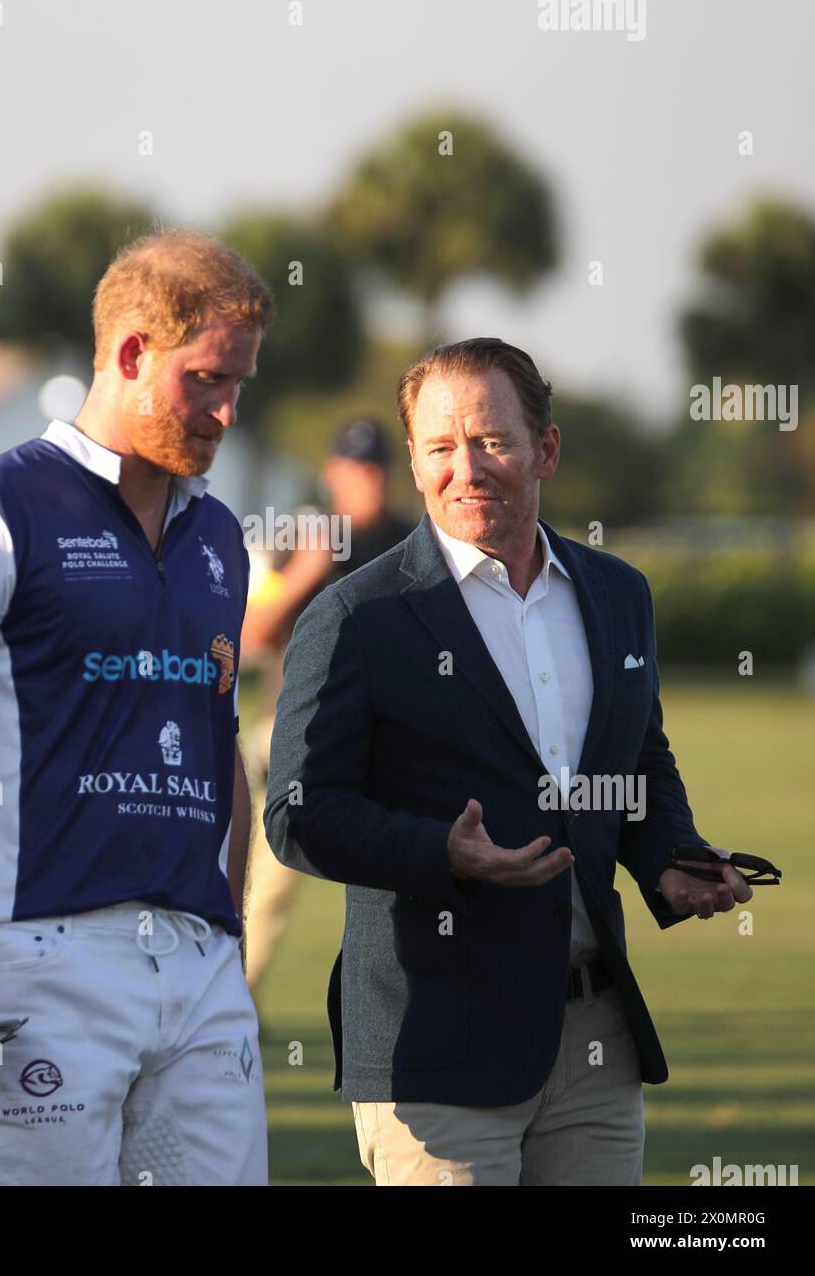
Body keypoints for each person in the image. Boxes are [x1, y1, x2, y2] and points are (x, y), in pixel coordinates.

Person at [264, 337, 752, 1186]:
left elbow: (636, 756)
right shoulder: (356, 617)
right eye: (440, 449)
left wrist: (669, 857)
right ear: (414, 463)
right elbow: (299, 813)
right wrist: (440, 854)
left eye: (490, 441)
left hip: (596, 1042)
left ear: (545, 450)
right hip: (435, 1045)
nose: (466, 470)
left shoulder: (616, 593)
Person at [0, 228, 275, 1186]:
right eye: (207, 379)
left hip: (200, 961)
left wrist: (232, 932)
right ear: (133, 354)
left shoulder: (220, 534)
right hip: (42, 955)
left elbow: (219, 749)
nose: (224, 410)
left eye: (238, 387)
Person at [240, 419, 414, 996]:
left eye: (375, 470)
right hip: (298, 733)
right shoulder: (300, 535)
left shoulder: (410, 542)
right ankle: (233, 1004)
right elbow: (249, 638)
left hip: (389, 737)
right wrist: (304, 576)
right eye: (354, 469)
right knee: (263, 886)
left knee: (400, 874)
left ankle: (408, 997)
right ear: (331, 472)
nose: (365, 482)